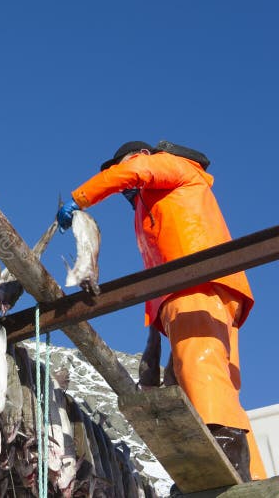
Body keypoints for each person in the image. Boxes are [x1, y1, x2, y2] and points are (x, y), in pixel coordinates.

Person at [56, 141, 266, 482]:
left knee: (202, 371)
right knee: (214, 381)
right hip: (189, 295)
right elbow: (159, 275)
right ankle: (251, 475)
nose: (119, 179)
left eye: (118, 168)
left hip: (198, 283)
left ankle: (226, 462)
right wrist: (152, 342)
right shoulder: (151, 210)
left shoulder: (172, 167)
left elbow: (134, 170)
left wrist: (80, 199)